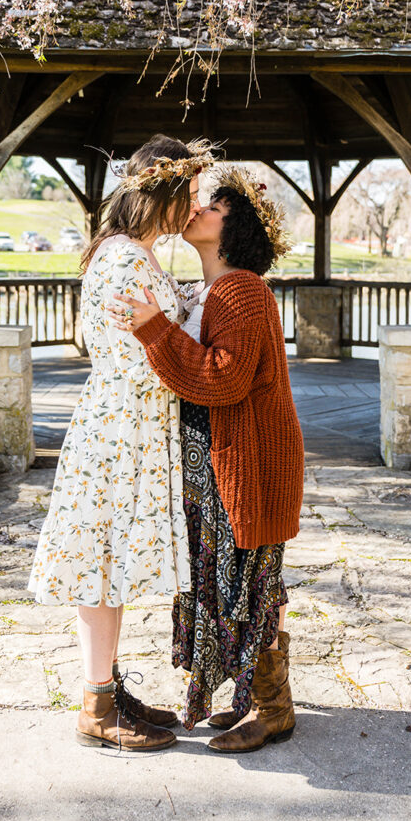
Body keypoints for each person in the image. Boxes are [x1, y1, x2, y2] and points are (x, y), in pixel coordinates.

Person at [27, 134, 214, 752]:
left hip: (129, 426)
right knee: (101, 565)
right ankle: (96, 705)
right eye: (186, 196)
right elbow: (145, 357)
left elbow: (165, 321)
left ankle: (104, 690)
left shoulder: (133, 252)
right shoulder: (127, 259)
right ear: (159, 194)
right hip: (121, 429)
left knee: (108, 564)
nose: (192, 209)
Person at [109, 165, 305, 754]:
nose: (197, 209)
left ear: (233, 224)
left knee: (250, 585)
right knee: (230, 585)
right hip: (220, 465)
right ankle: (257, 698)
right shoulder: (214, 290)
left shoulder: (241, 288)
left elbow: (223, 380)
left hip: (246, 466)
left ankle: (274, 708)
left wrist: (156, 332)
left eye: (213, 205)